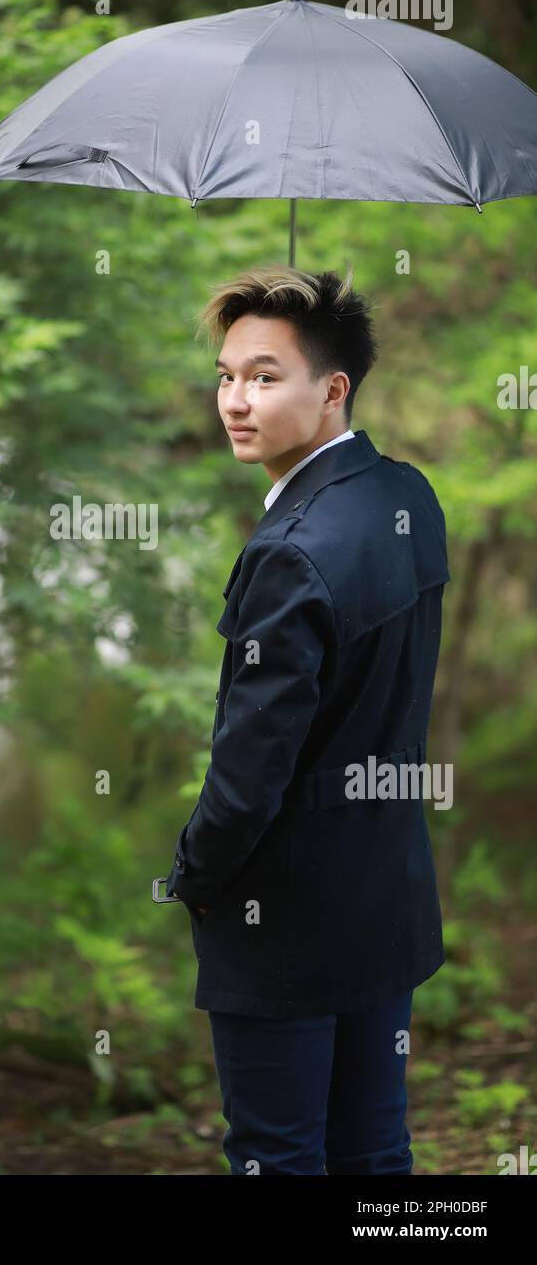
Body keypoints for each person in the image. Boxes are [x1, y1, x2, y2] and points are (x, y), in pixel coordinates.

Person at [163, 265, 450, 1175]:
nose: (234, 402)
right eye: (224, 376)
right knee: (375, 1155)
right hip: (384, 886)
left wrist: (196, 873)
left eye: (263, 376)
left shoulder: (292, 550)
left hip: (283, 914)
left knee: (279, 1157)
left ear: (333, 390)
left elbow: (250, 773)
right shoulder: (406, 497)